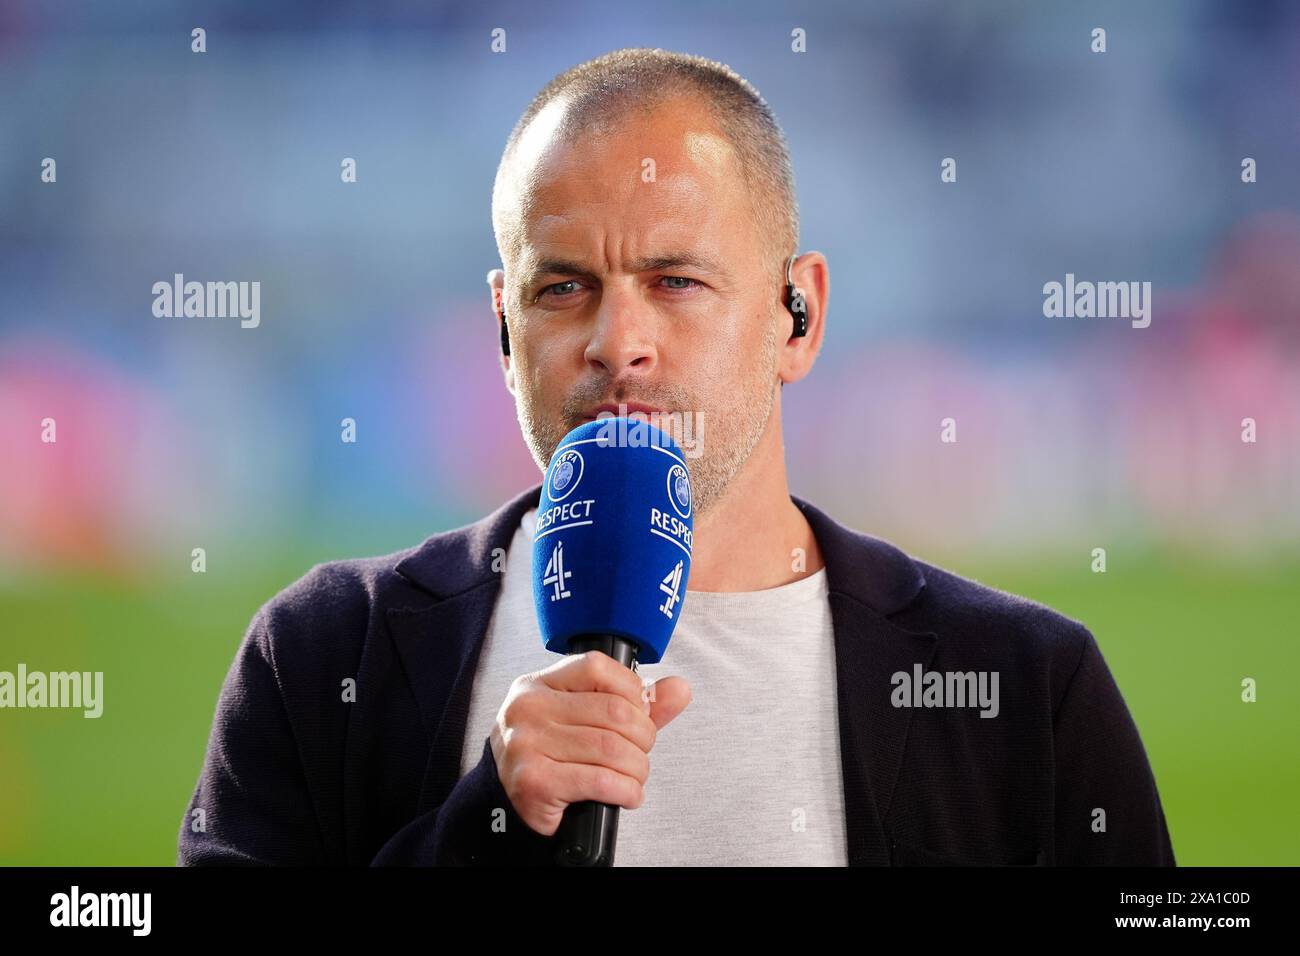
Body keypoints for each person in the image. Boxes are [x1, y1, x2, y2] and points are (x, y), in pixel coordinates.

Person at [178, 48, 1174, 866]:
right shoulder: (321, 651)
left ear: (799, 315)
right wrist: (485, 828)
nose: (618, 340)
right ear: (501, 327)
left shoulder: (1024, 687)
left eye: (675, 280)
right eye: (561, 288)